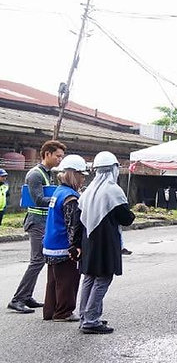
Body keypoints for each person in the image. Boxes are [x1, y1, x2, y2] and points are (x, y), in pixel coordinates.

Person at [78, 152, 135, 334]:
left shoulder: (88, 190)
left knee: (89, 277)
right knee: (103, 278)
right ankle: (91, 320)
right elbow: (126, 218)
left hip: (88, 240)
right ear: (113, 169)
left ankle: (85, 316)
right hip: (106, 241)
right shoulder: (113, 190)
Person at [8, 140, 65, 313]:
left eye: (61, 157)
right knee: (37, 260)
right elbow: (39, 199)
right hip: (36, 222)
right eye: (58, 156)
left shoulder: (48, 173)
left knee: (40, 260)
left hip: (44, 222)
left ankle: (26, 296)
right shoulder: (35, 174)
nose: (60, 159)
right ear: (47, 154)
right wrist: (61, 198)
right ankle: (18, 299)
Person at [41, 154, 87, 322]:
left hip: (50, 243)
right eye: (81, 175)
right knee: (67, 281)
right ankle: (63, 312)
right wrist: (76, 246)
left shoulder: (59, 192)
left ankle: (50, 311)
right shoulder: (71, 197)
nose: (83, 179)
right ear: (74, 174)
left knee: (53, 281)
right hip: (63, 246)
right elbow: (73, 225)